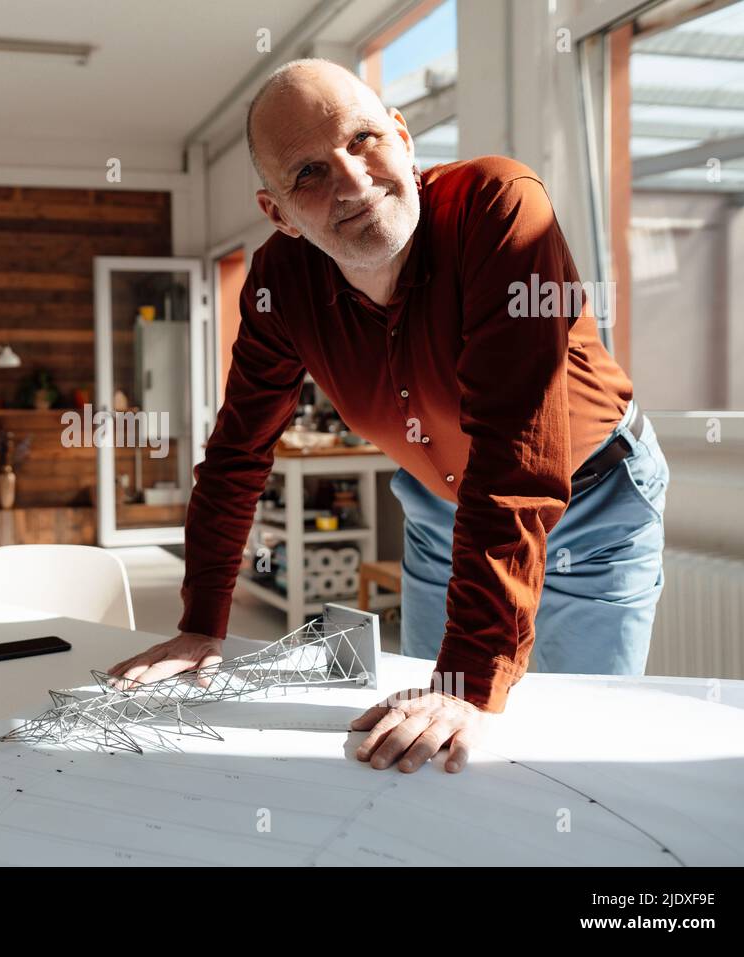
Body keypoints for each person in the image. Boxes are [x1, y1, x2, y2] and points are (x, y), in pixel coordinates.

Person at [107, 59, 667, 774]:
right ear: (277, 212)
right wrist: (199, 625)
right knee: (426, 747)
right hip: (440, 515)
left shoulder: (500, 205)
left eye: (364, 138)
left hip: (597, 502)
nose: (351, 180)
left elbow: (515, 450)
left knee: (582, 752)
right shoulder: (280, 284)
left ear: (403, 138)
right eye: (307, 173)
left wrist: (470, 674)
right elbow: (237, 453)